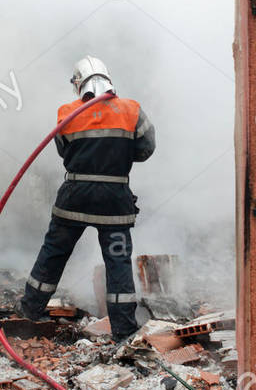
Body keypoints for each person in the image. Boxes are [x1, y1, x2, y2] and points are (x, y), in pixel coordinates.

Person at [18, 56, 155, 341]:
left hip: (74, 201)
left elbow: (64, 151)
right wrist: (117, 156)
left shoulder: (66, 112)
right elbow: (146, 149)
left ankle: (30, 311)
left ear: (78, 83)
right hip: (114, 204)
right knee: (117, 262)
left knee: (53, 253)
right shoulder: (132, 110)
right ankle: (124, 331)